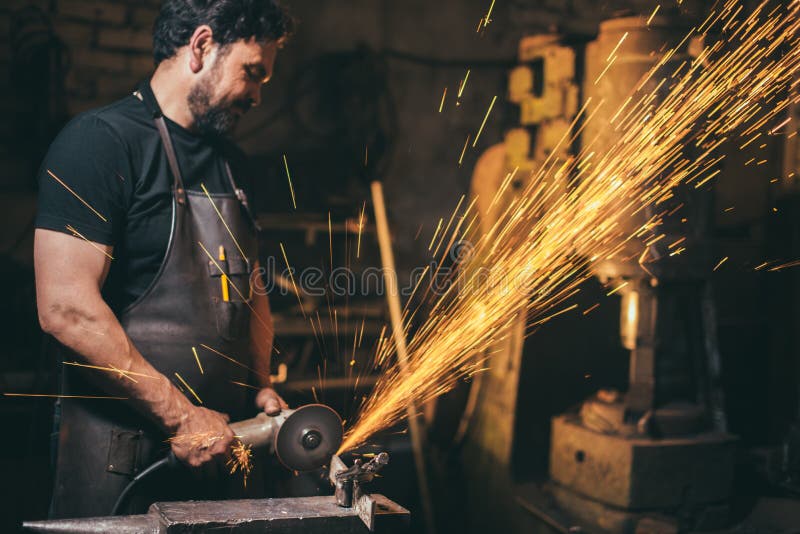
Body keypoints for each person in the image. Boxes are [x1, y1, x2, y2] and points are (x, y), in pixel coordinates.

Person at [33, 0, 293, 518]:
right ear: (201, 47)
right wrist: (180, 418)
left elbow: (251, 286)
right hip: (120, 467)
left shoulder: (233, 166)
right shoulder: (100, 144)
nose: (259, 94)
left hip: (221, 456)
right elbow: (65, 308)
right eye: (252, 72)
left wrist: (260, 384)